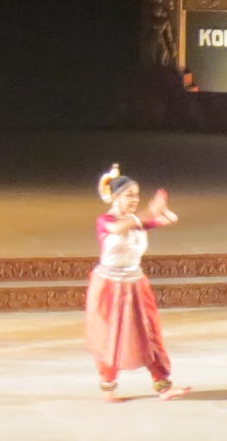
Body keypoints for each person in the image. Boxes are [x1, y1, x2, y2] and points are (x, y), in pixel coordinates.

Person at [88, 164, 190, 402]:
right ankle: (109, 388)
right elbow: (119, 227)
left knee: (150, 334)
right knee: (109, 337)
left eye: (136, 195)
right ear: (114, 197)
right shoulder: (105, 220)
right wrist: (148, 212)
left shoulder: (138, 221)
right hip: (109, 287)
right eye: (128, 195)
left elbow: (170, 218)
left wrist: (160, 208)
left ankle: (164, 387)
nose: (134, 199)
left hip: (135, 284)